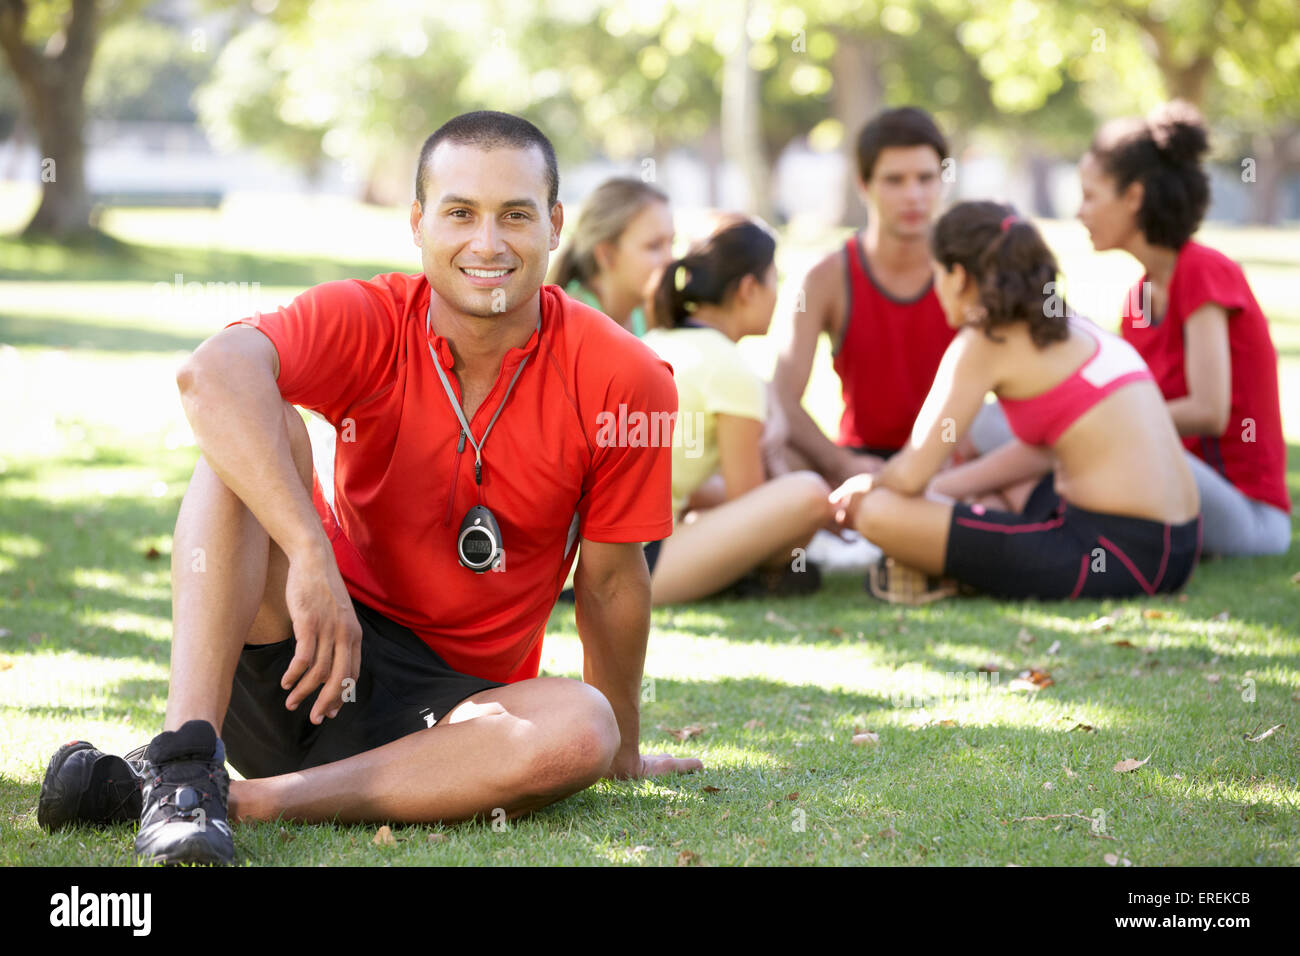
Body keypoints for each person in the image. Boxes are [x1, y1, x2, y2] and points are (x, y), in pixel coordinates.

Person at [36, 110, 701, 865]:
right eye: (460, 213)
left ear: (553, 224)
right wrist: (310, 555)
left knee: (584, 723)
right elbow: (210, 373)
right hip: (305, 655)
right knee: (257, 428)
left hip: (453, 724)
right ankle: (188, 762)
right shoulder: (372, 318)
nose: (488, 244)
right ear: (418, 223)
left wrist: (623, 753)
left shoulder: (629, 377)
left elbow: (614, 585)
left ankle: (226, 800)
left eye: (515, 215)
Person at [830, 201, 1202, 601]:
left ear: (957, 276)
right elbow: (1038, 453)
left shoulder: (985, 340)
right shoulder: (1065, 321)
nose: (935, 289)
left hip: (1116, 556)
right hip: (1177, 546)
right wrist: (944, 489)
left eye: (935, 274)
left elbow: (909, 476)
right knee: (988, 492)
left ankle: (953, 573)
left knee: (879, 513)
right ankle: (954, 564)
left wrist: (864, 489)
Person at [1078, 101, 1291, 556]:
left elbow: (1208, 410)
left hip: (1247, 516)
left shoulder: (1201, 271)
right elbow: (1118, 394)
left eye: (1091, 196)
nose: (1081, 212)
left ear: (1133, 196)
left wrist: (1096, 422)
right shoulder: (1137, 298)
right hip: (1177, 494)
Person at [640, 215, 833, 603]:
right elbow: (749, 498)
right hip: (636, 566)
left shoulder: (657, 339)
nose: (777, 295)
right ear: (748, 288)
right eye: (773, 280)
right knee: (810, 494)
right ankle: (760, 577)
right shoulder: (729, 366)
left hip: (583, 559)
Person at [772, 106, 961, 487]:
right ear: (864, 184)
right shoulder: (826, 278)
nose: (913, 195)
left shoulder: (970, 270)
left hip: (950, 462)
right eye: (894, 180)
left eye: (926, 178)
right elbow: (782, 399)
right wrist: (840, 463)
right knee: (772, 455)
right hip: (858, 461)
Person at [547, 177, 675, 337]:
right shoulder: (570, 319)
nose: (670, 259)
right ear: (606, 254)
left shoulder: (646, 312)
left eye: (672, 243)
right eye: (654, 246)